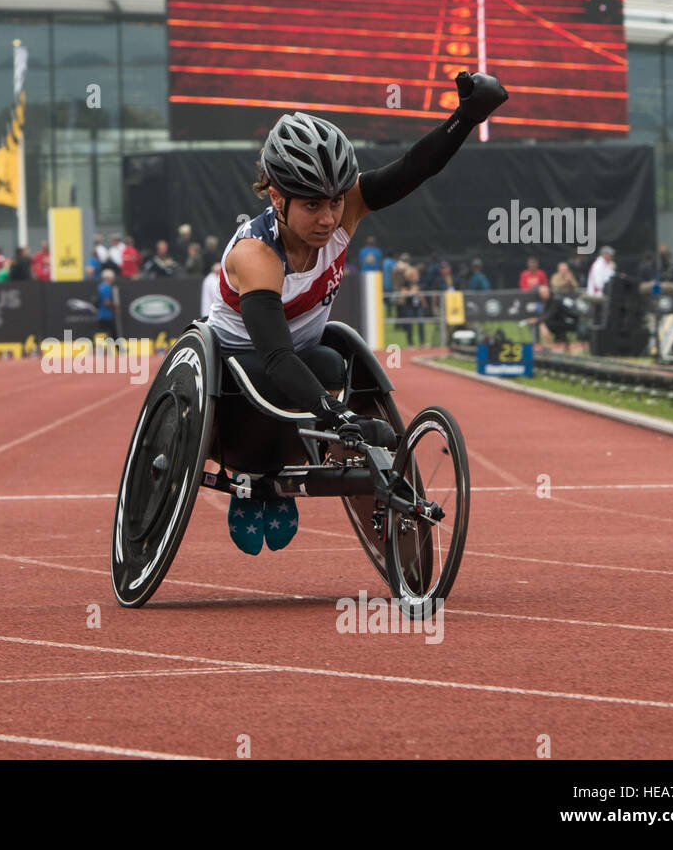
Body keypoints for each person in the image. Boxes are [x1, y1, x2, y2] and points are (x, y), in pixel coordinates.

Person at [207, 70, 506, 556]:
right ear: (277, 199)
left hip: (301, 358)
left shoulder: (345, 210)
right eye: (311, 206)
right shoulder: (255, 256)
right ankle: (257, 476)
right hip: (239, 374)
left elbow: (413, 167)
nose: (328, 218)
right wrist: (337, 415)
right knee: (282, 373)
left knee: (334, 363)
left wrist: (466, 118)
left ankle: (300, 478)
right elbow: (277, 357)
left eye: (334, 202)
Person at [96, 268, 118, 341]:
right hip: (106, 314)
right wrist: (115, 307)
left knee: (110, 332)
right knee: (112, 332)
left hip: (102, 314)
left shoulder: (101, 286)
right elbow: (107, 302)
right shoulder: (106, 287)